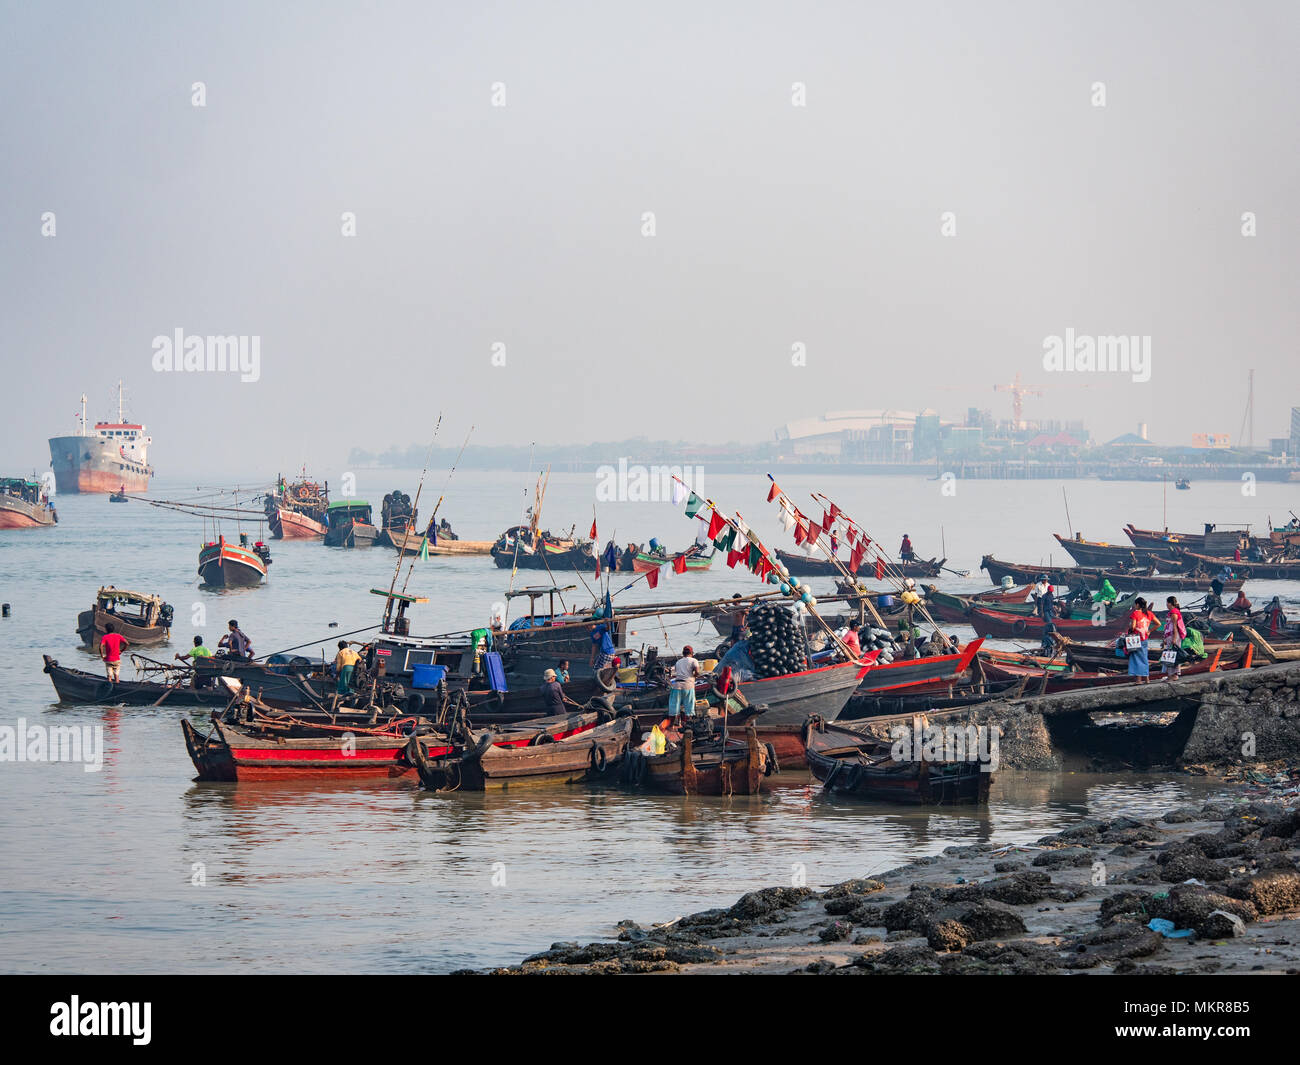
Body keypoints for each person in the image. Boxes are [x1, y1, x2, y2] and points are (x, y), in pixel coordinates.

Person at [1125, 597, 1157, 684]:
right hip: (1145, 638)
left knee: (1136, 659)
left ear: (1137, 604)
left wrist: (1130, 628)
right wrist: (1149, 631)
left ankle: (1139, 680)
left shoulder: (1135, 613)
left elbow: (1133, 627)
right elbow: (1158, 624)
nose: (1135, 606)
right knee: (1144, 658)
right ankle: (1147, 679)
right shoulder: (1149, 613)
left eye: (1135, 604)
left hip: (1136, 639)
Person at [669, 644, 702, 717]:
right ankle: (689, 721)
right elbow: (697, 672)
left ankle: (673, 722)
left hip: (677, 686)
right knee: (689, 708)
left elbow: (676, 672)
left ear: (683, 653)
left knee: (674, 709)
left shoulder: (678, 662)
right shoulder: (694, 660)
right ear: (692, 653)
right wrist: (695, 675)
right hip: (688, 686)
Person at [1161, 597, 1187, 679]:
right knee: (1171, 655)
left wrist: (1174, 639)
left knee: (1172, 655)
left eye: (1167, 603)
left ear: (1170, 603)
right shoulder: (1172, 612)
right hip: (1170, 636)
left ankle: (1173, 675)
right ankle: (1172, 675)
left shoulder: (1174, 613)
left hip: (1173, 636)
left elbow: (1175, 627)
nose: (1166, 604)